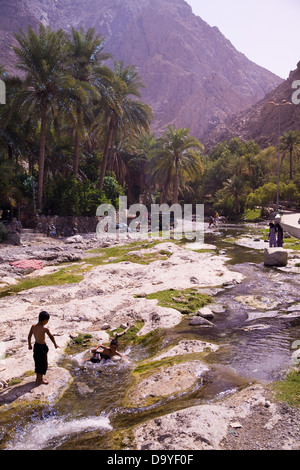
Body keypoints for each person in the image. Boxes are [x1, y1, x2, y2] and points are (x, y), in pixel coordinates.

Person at [28, 311, 58, 385]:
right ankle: (40, 380)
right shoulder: (45, 329)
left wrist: (29, 345)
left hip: (36, 346)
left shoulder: (33, 326)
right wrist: (55, 344)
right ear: (45, 320)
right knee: (43, 363)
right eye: (47, 321)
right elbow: (51, 337)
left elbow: (29, 336)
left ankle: (38, 378)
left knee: (38, 362)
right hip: (42, 347)